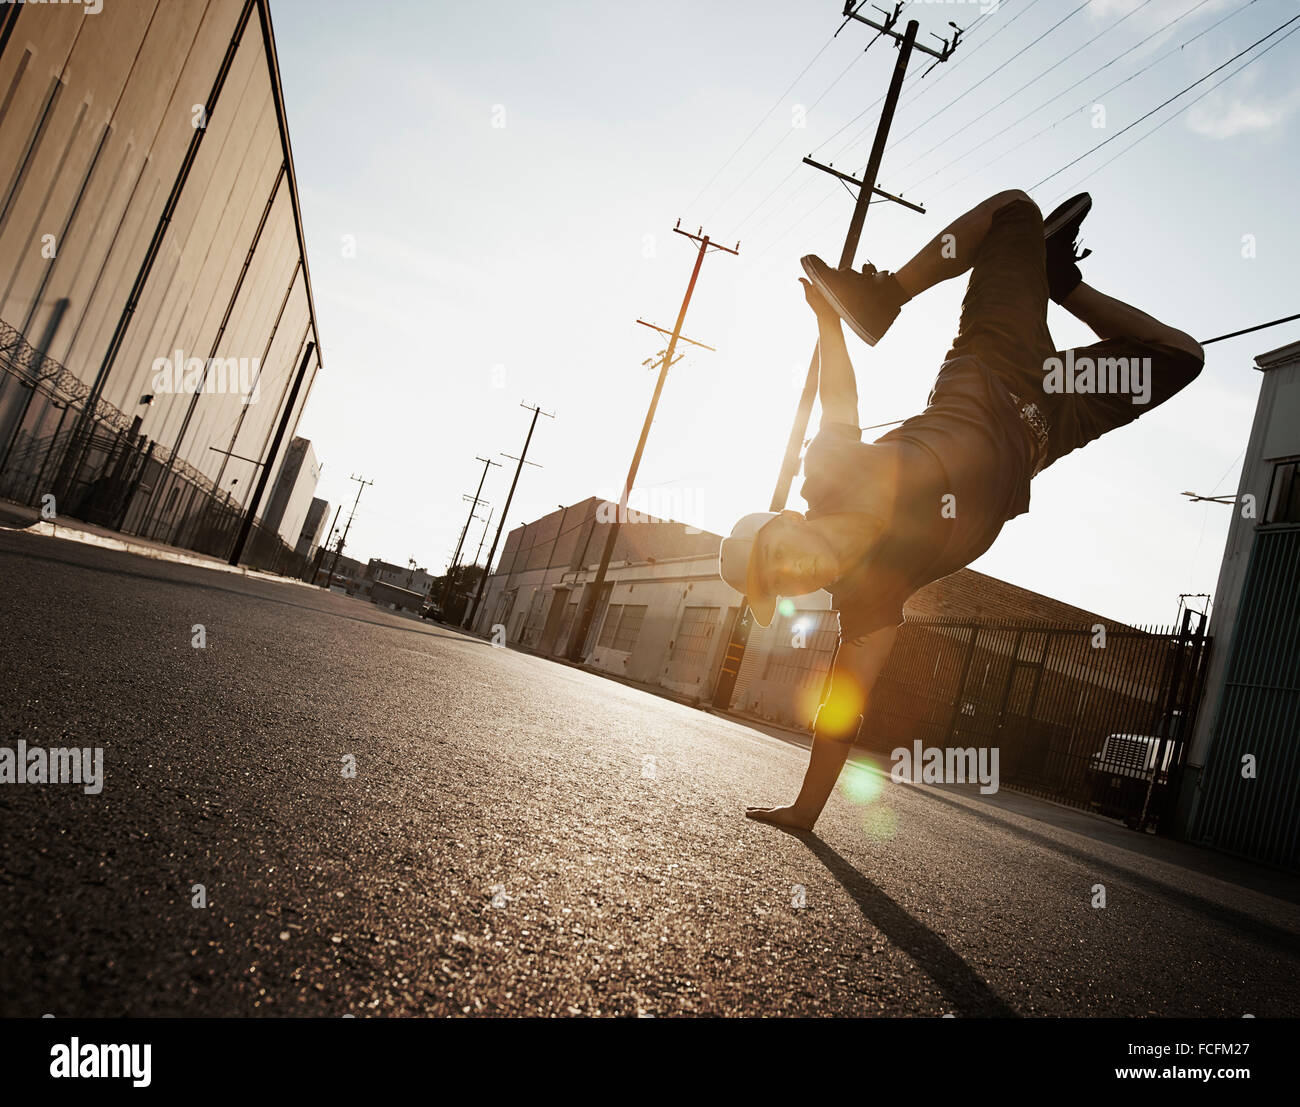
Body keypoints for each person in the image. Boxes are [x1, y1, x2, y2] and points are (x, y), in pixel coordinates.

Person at [718, 189, 1203, 831]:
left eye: (779, 557)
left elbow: (839, 404)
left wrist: (832, 321)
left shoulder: (830, 478)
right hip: (1052, 417)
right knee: (1180, 358)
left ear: (789, 523)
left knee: (1014, 211)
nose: (794, 574)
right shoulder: (868, 597)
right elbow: (844, 702)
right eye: (781, 585)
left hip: (994, 362)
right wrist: (805, 813)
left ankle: (886, 293)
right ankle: (1059, 279)